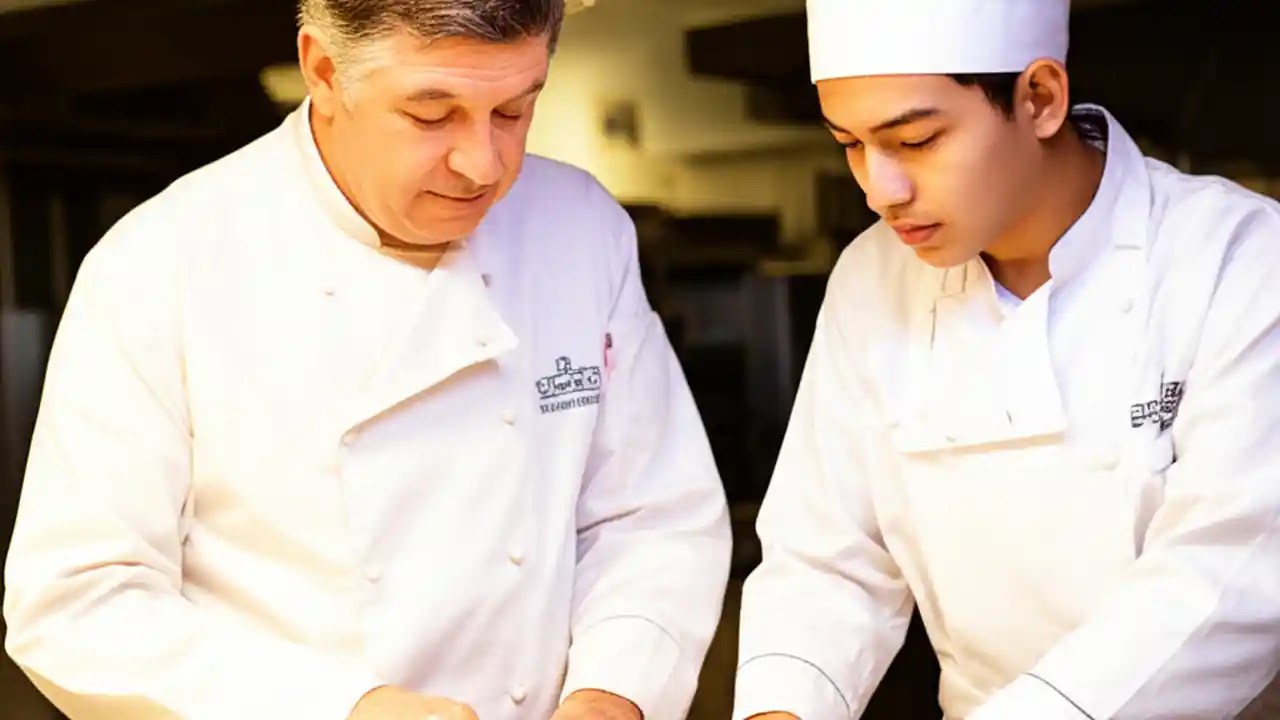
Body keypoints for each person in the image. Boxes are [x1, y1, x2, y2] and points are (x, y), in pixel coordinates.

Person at [3, 2, 732, 718]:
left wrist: (612, 695)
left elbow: (653, 516)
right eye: (430, 113)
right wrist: (343, 709)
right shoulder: (164, 261)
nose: (482, 164)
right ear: (322, 69)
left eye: (513, 110)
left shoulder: (580, 226)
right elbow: (77, 603)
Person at [733, 0, 1280, 718]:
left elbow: (1226, 575)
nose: (877, 191)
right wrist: (785, 705)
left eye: (918, 140)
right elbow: (828, 559)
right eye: (850, 144)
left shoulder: (1236, 260)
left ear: (1041, 98)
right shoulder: (871, 279)